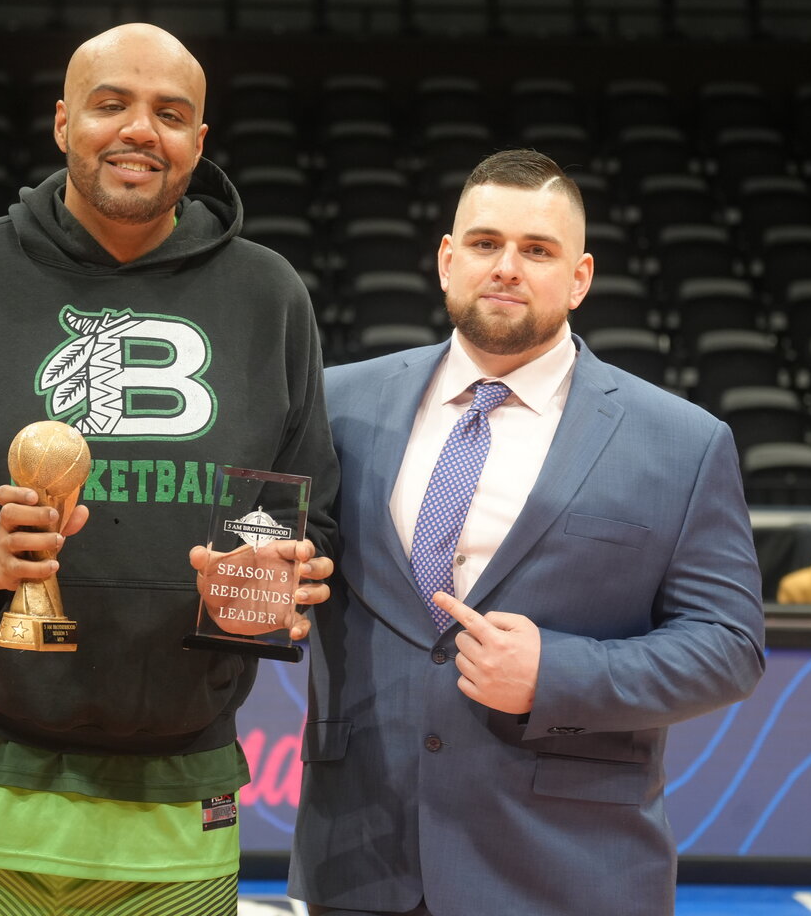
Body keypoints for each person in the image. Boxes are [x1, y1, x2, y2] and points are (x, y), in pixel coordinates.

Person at [0, 23, 337, 915]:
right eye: (110, 104)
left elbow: (309, 517)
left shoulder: (268, 295)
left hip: (176, 793)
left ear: (199, 140)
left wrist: (276, 579)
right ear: (62, 123)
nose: (140, 130)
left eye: (170, 114)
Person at [290, 149, 765, 916]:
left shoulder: (682, 442)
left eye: (537, 250)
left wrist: (556, 674)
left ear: (579, 277)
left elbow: (730, 647)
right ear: (447, 261)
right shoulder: (336, 403)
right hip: (362, 857)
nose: (506, 267)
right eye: (485, 244)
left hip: (569, 870)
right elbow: (290, 566)